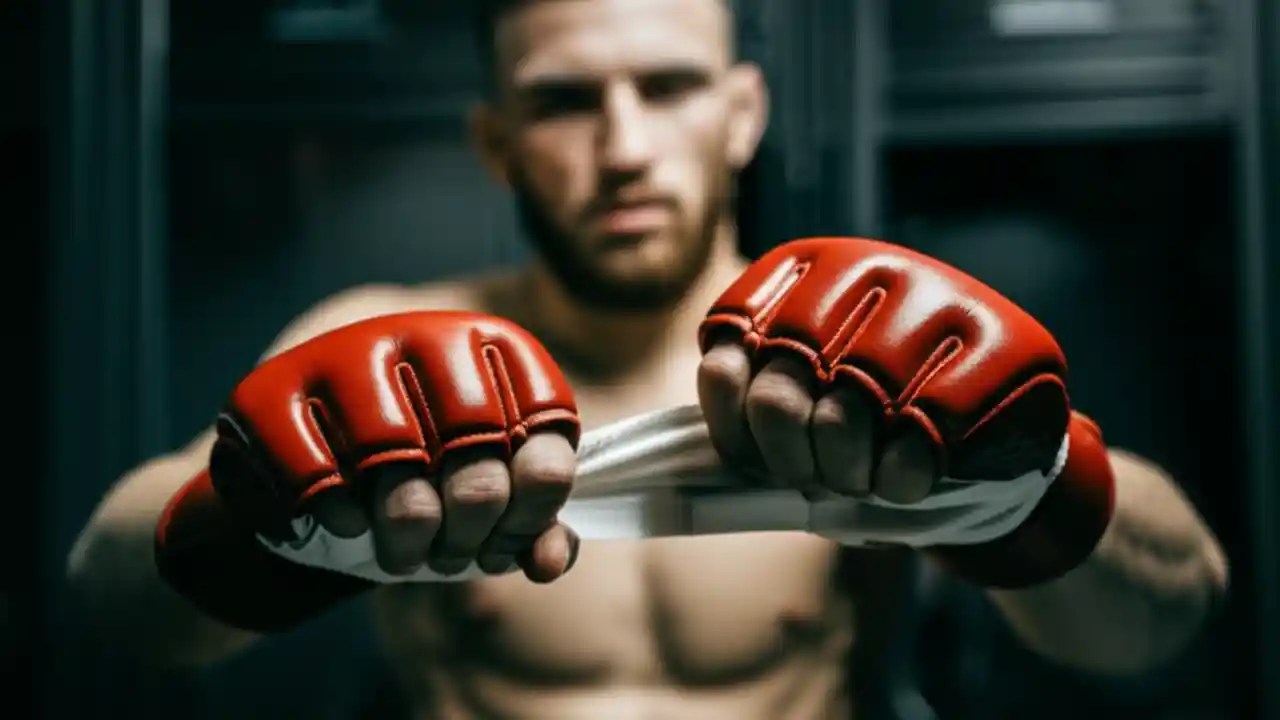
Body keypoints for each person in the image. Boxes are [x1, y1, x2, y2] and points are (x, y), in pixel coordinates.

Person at [67, 0, 1230, 718]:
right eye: (564, 101)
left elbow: (1166, 615)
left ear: (739, 112)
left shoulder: (863, 366)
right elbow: (116, 602)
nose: (622, 147)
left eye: (666, 87)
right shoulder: (387, 348)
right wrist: (252, 520)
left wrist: (1022, 491)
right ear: (496, 141)